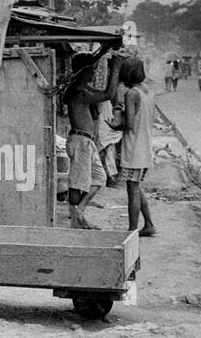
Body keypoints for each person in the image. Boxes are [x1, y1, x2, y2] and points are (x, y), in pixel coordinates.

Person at [63, 52, 121, 228]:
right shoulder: (79, 91)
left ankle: (79, 211)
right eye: (92, 70)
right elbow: (109, 94)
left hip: (86, 141)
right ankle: (76, 220)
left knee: (99, 178)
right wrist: (115, 68)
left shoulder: (81, 90)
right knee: (77, 183)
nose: (94, 74)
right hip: (81, 141)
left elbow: (103, 97)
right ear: (83, 71)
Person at [119, 57, 157, 236]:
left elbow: (130, 124)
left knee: (132, 189)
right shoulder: (148, 92)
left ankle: (131, 231)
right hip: (145, 145)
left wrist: (115, 125)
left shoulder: (131, 93)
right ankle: (148, 224)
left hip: (134, 148)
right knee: (136, 186)